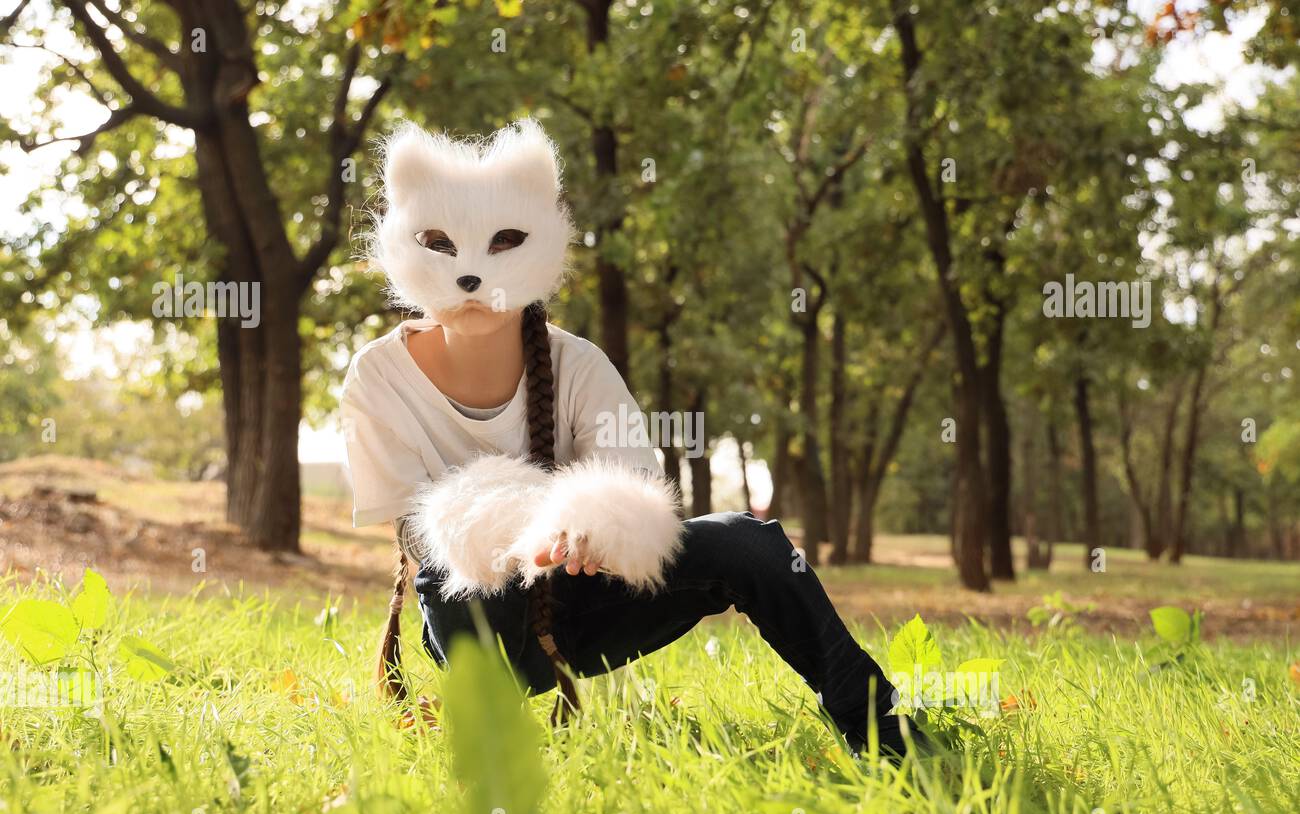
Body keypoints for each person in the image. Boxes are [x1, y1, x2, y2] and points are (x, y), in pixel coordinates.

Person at [340, 118, 919, 757]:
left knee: (749, 544)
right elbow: (415, 535)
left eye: (505, 242)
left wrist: (596, 529)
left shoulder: (580, 366)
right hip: (479, 630)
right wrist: (508, 524)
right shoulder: (377, 376)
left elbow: (636, 491)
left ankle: (885, 734)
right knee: (470, 557)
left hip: (587, 608)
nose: (471, 274)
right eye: (440, 244)